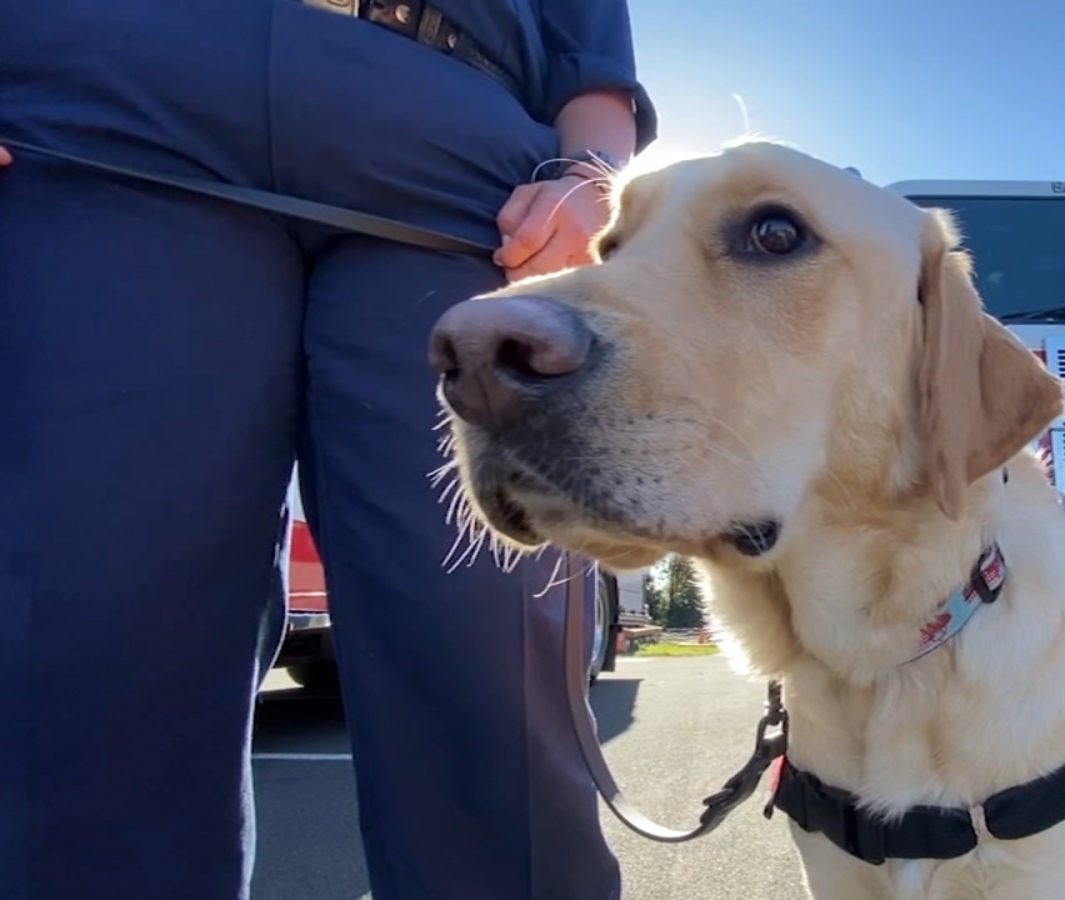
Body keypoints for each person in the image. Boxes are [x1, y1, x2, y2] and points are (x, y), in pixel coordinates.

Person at [0, 1, 654, 898]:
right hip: (106, 116)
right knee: (93, 648)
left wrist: (595, 173)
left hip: (465, 168)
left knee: (486, 678)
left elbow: (587, 41)